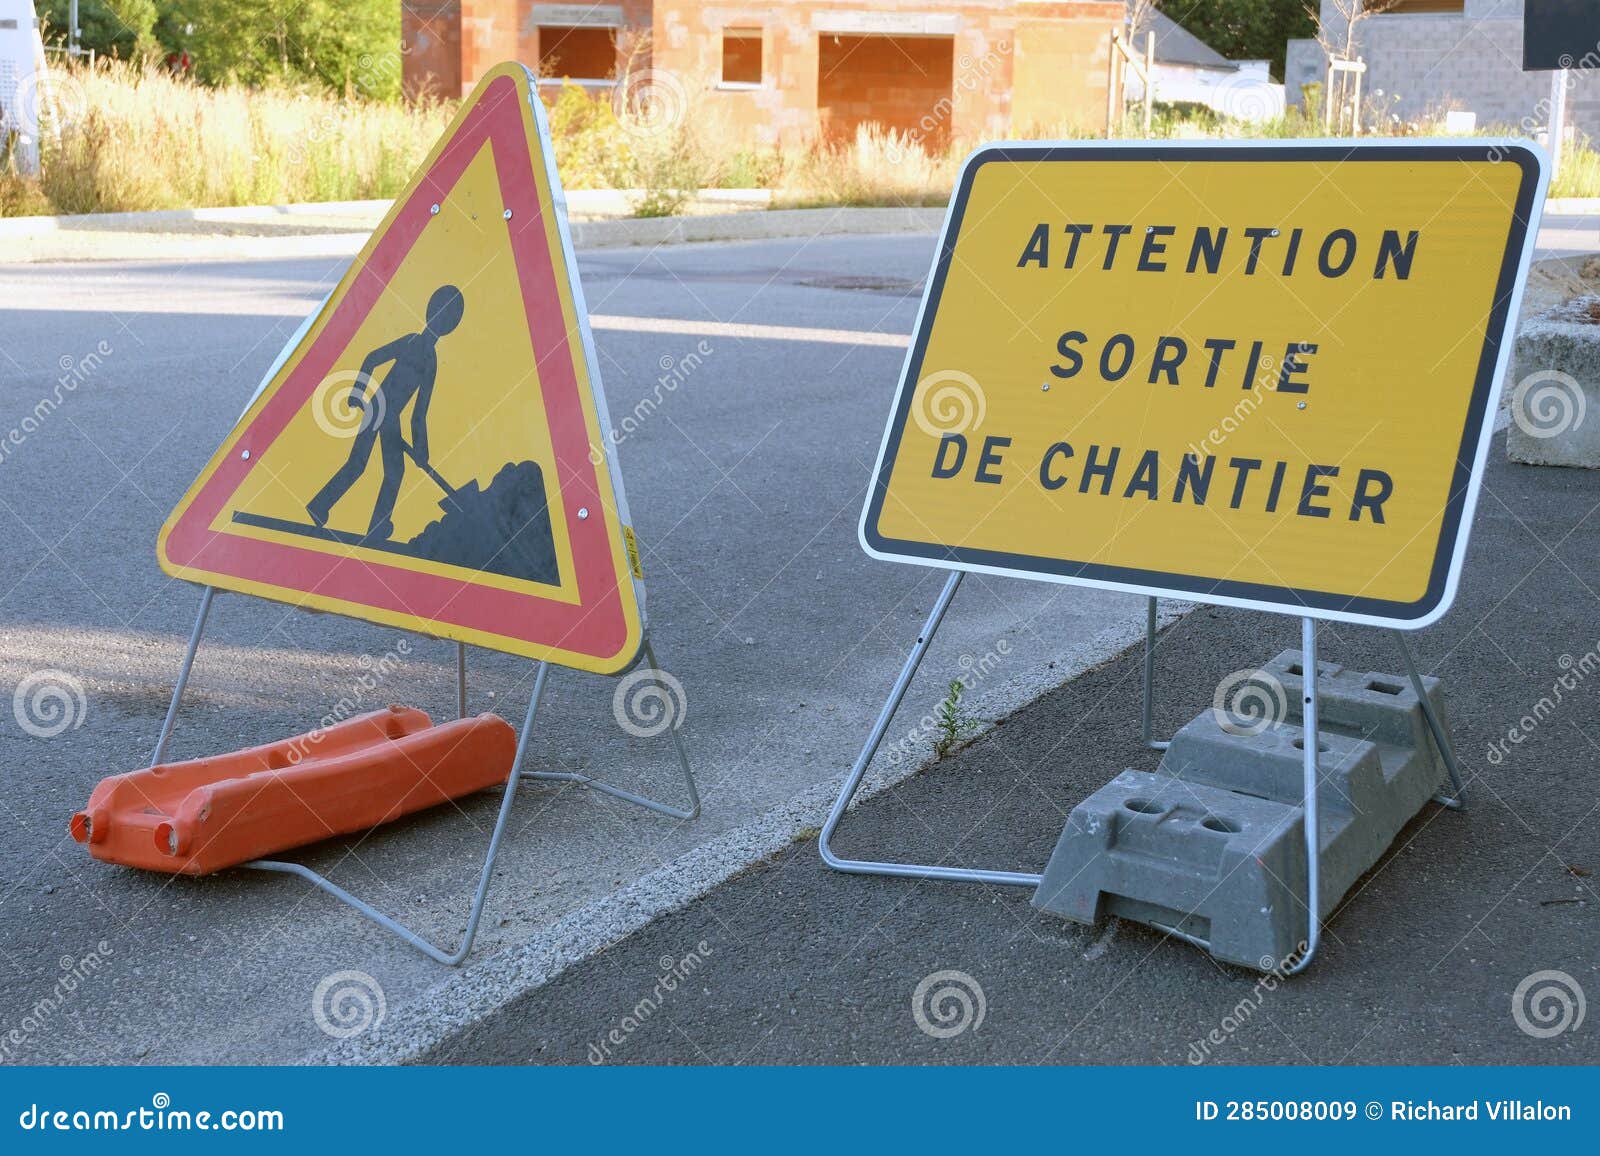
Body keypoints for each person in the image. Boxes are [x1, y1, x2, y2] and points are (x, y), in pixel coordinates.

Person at [307, 284, 465, 540]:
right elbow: (373, 359)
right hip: (381, 411)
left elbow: (418, 412)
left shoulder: (424, 353)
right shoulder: (423, 352)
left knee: (366, 466)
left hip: (385, 413)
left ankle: (325, 508)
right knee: (376, 469)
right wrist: (356, 392)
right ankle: (370, 525)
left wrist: (421, 451)